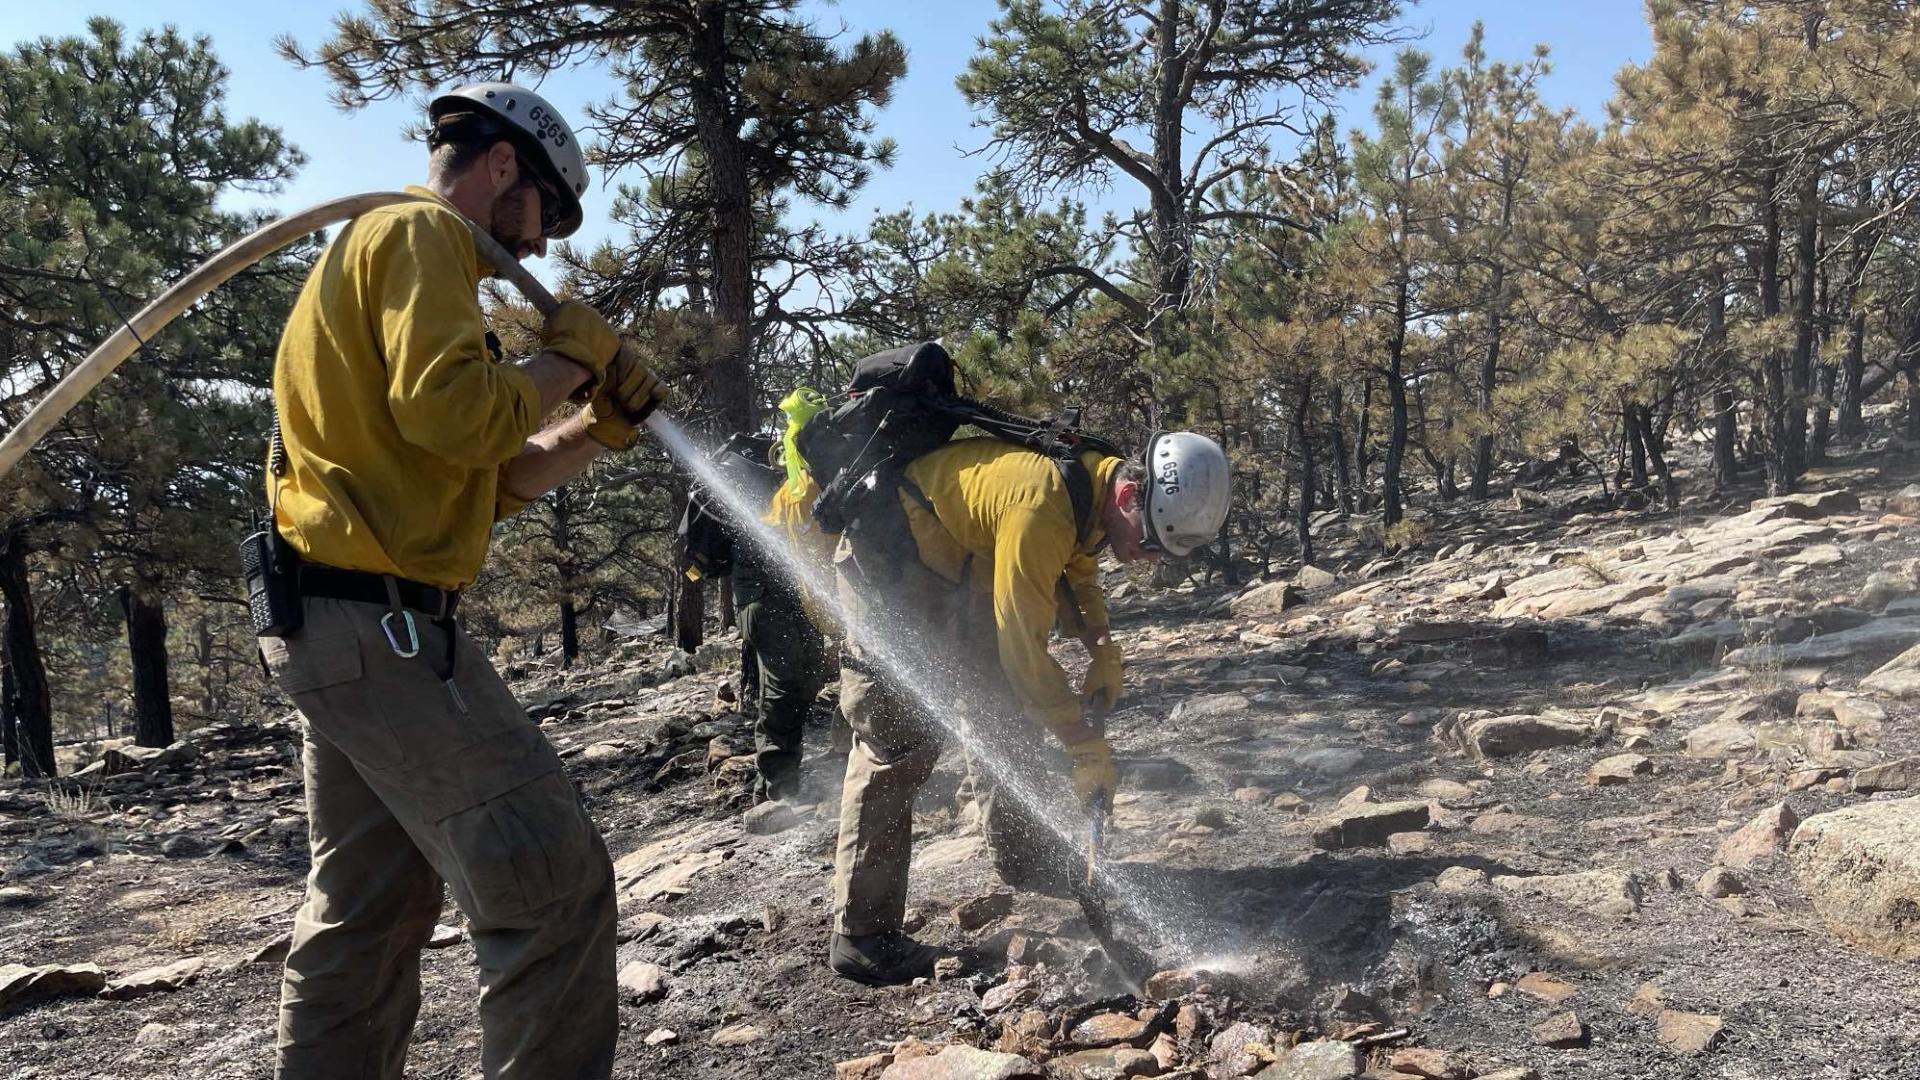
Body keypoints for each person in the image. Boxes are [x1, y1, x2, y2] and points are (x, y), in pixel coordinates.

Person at [258, 83, 664, 1080]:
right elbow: (460, 416)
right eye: (547, 214)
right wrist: (572, 353)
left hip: (341, 625)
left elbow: (482, 484)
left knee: (370, 910)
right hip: (379, 630)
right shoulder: (422, 235)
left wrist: (596, 426)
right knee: (552, 886)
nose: (543, 244)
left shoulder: (388, 252)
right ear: (501, 169)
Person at [827, 427, 1231, 985]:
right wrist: (1082, 743)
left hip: (957, 564)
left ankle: (1023, 857)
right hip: (887, 563)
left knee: (1003, 710)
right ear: (1130, 496)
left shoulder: (1093, 481)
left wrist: (1101, 646)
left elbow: (1080, 566)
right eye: (1151, 540)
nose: (1144, 557)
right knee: (896, 739)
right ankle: (863, 937)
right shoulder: (1043, 502)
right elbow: (1022, 647)